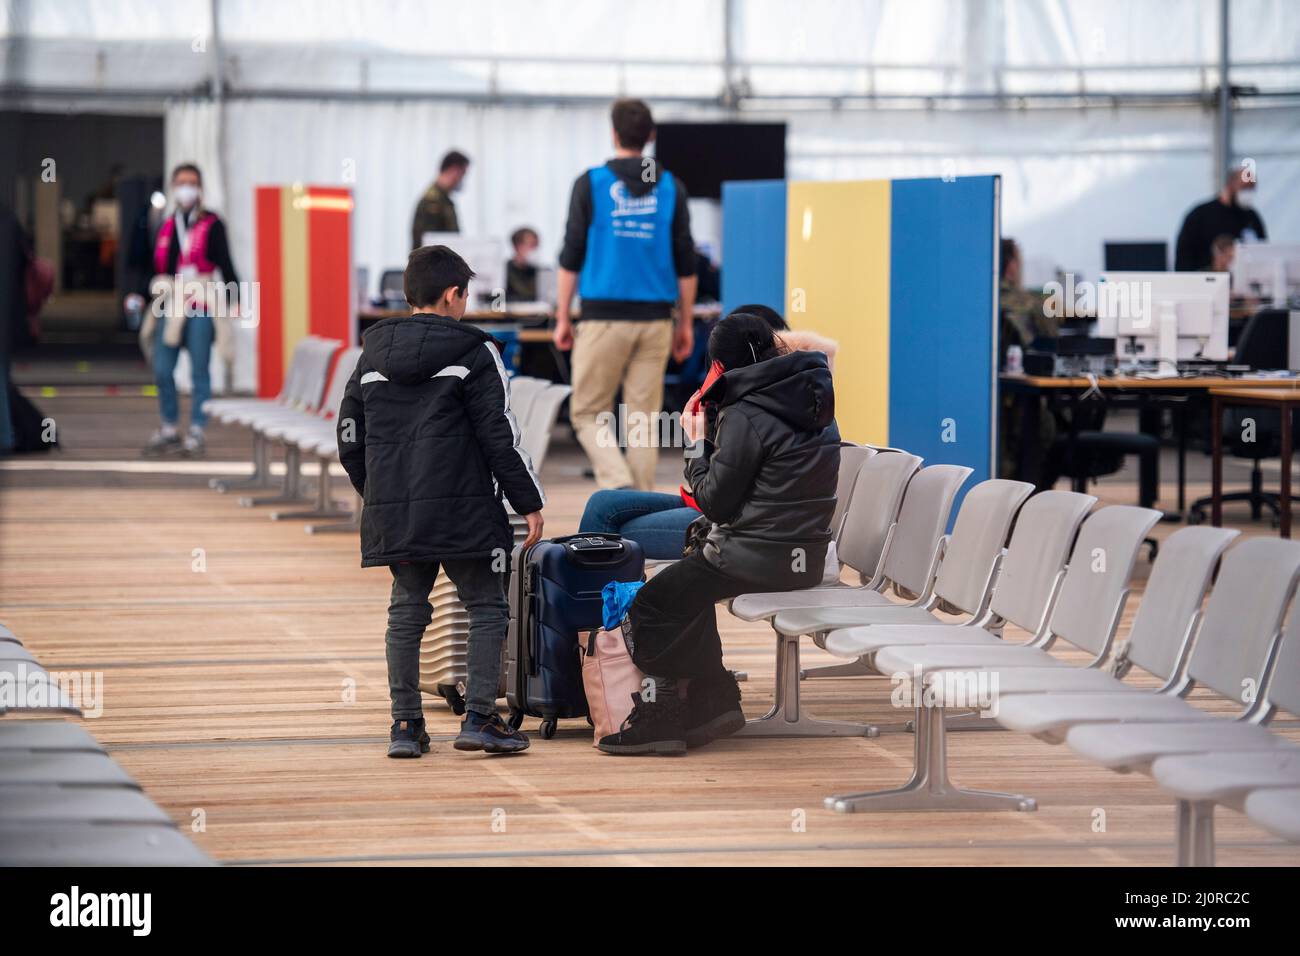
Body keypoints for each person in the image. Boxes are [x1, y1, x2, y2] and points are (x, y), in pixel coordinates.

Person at [596, 315, 840, 756]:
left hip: (753, 556)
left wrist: (695, 442)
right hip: (803, 557)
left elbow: (713, 501)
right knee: (687, 590)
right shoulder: (815, 399)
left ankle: (660, 717)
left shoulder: (746, 413)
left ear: (720, 365)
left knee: (652, 603)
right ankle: (714, 703)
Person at [337, 244, 545, 759]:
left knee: (407, 610)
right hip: (465, 509)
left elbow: (347, 436)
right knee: (486, 605)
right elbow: (501, 436)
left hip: (398, 509)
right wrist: (529, 501)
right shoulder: (475, 353)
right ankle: (479, 719)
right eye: (465, 294)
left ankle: (405, 726)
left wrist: (379, 492)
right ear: (453, 295)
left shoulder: (371, 354)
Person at [578, 304, 837, 558]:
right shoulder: (794, 399)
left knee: (613, 531)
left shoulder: (753, 411)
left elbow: (714, 500)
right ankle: (594, 594)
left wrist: (696, 441)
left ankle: (592, 597)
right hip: (731, 510)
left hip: (739, 528)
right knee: (602, 503)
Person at [553, 97, 697, 490]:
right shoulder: (671, 187)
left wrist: (563, 316)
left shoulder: (592, 183)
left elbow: (571, 255)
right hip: (655, 320)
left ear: (613, 133)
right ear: (649, 136)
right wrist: (685, 322)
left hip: (603, 317)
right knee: (642, 421)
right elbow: (687, 262)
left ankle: (618, 486)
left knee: (586, 412)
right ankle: (641, 510)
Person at [130, 163, 239, 458]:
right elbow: (155, 266)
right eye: (181, 182)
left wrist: (235, 296)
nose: (186, 187)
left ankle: (196, 430)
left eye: (191, 182)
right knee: (163, 368)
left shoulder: (213, 223)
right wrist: (140, 294)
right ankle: (168, 426)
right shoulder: (166, 224)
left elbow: (226, 262)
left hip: (200, 301)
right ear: (173, 186)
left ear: (200, 187)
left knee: (200, 369)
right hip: (171, 300)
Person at [1174, 167, 1266, 272]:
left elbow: (1263, 251)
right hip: (1206, 282)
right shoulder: (1200, 215)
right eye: (1245, 187)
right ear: (1230, 184)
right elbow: (1183, 258)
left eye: (1252, 188)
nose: (1248, 193)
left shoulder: (1252, 217)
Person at [411, 150, 469, 249]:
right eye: (462, 174)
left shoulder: (444, 200)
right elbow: (427, 246)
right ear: (454, 170)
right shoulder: (432, 202)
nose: (462, 179)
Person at [505, 226, 539, 302]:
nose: (535, 249)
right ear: (517, 247)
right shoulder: (503, 272)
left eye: (537, 245)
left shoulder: (538, 272)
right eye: (532, 245)